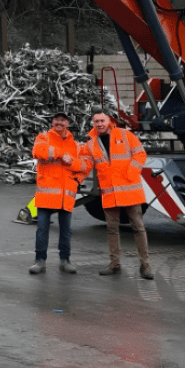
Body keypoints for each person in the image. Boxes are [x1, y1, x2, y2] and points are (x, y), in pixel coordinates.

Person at [82, 111, 154, 279]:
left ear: (109, 121)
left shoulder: (125, 134)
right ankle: (115, 265)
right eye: (96, 121)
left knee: (138, 227)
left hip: (129, 190)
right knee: (112, 230)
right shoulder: (91, 143)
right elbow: (85, 163)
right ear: (93, 123)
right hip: (109, 192)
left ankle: (146, 266)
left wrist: (131, 172)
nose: (99, 123)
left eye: (102, 120)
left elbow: (140, 154)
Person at [28, 111, 88, 275]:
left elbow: (85, 166)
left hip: (66, 195)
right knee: (42, 229)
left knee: (66, 231)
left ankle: (65, 260)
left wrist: (76, 177)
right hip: (47, 195)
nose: (59, 122)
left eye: (63, 120)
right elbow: (38, 152)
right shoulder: (43, 138)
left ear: (67, 123)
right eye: (56, 119)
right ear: (52, 122)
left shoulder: (76, 145)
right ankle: (40, 261)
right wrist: (61, 153)